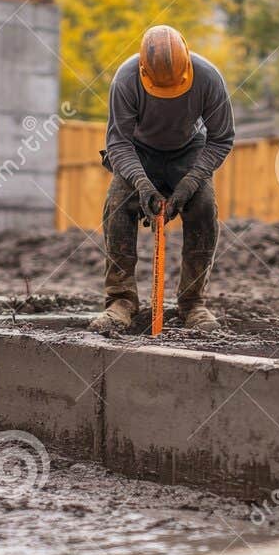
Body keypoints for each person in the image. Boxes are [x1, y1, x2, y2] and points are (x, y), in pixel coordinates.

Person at [89, 25, 236, 334]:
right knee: (117, 203)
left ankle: (192, 303)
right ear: (144, 70)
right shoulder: (126, 80)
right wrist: (142, 184)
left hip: (189, 150)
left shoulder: (209, 78)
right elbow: (118, 143)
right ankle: (121, 301)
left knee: (204, 206)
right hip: (139, 151)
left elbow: (221, 139)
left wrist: (191, 181)